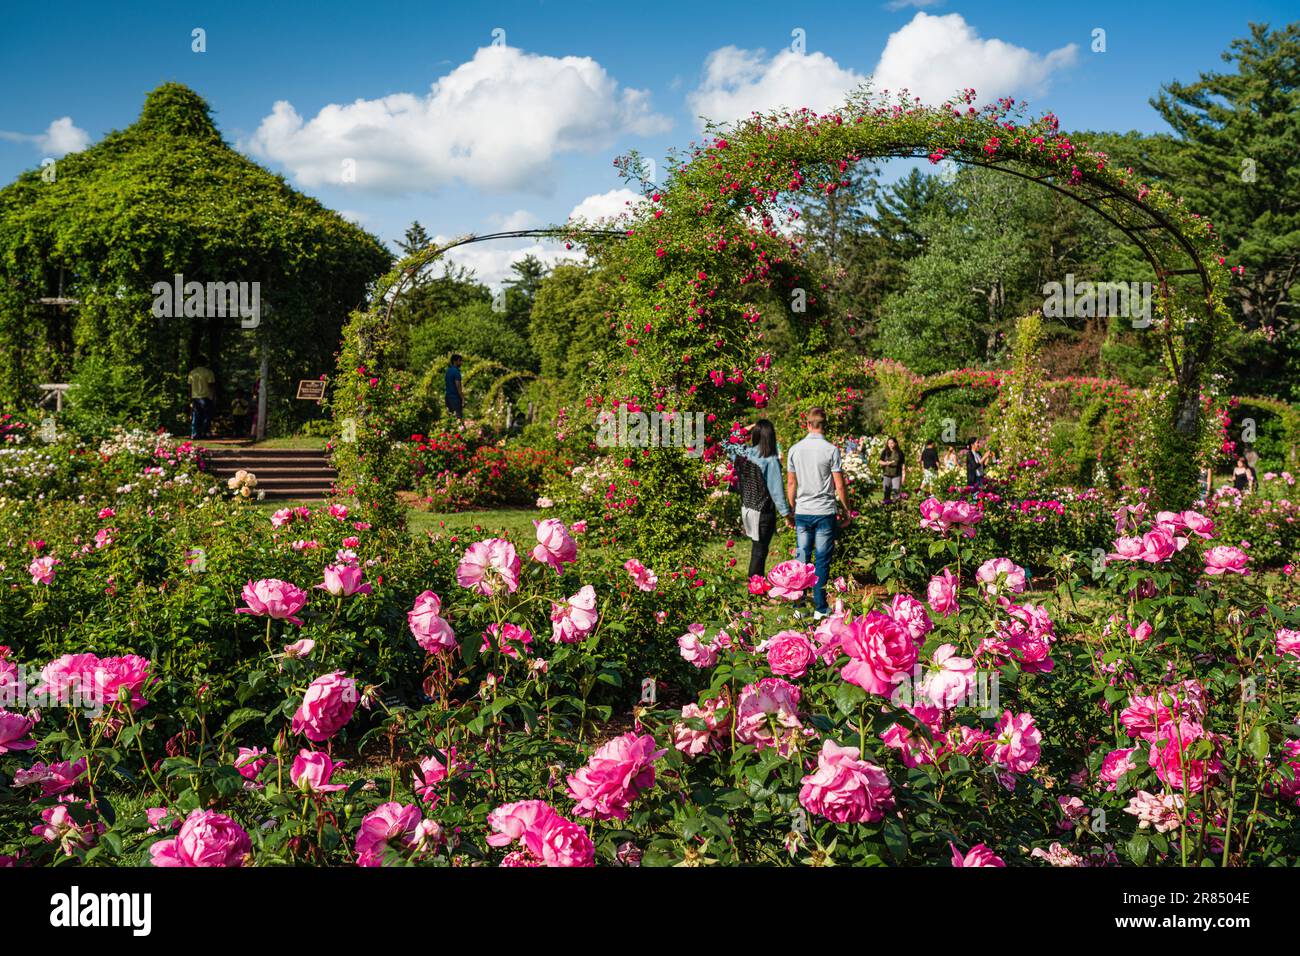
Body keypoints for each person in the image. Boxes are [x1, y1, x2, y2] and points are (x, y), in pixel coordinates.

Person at [786, 406, 851, 619]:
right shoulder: (831, 450)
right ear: (824, 426)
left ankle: (799, 605)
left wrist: (791, 510)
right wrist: (847, 509)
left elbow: (791, 482)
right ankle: (820, 607)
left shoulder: (795, 449)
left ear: (807, 424)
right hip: (824, 511)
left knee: (802, 557)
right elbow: (839, 485)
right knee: (822, 559)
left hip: (803, 511)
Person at [722, 420, 791, 579]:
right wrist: (786, 514)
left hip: (747, 508)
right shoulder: (769, 459)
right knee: (759, 552)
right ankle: (755, 591)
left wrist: (746, 429)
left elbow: (726, 442)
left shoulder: (744, 453)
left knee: (757, 550)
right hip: (763, 511)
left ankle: (756, 588)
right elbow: (776, 490)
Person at [188, 361, 216, 440]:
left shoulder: (192, 373)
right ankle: (205, 432)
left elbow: (189, 387)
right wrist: (213, 397)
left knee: (195, 416)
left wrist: (190, 397)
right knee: (206, 416)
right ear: (205, 363)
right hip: (206, 397)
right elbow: (211, 386)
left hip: (195, 397)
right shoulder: (209, 372)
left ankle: (195, 433)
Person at [879, 436, 904, 503]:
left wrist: (904, 474)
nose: (890, 445)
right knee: (886, 491)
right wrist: (886, 463)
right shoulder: (885, 451)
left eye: (892, 443)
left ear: (895, 443)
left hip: (896, 474)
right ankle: (886, 506)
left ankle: (896, 507)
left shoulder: (899, 452)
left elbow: (903, 464)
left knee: (896, 492)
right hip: (887, 474)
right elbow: (880, 461)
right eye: (889, 443)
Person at [445, 354, 464, 420]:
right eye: (460, 361)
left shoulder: (448, 371)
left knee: (450, 418)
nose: (461, 362)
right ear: (454, 361)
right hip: (455, 398)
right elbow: (458, 386)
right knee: (458, 418)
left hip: (447, 397)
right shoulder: (456, 372)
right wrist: (462, 398)